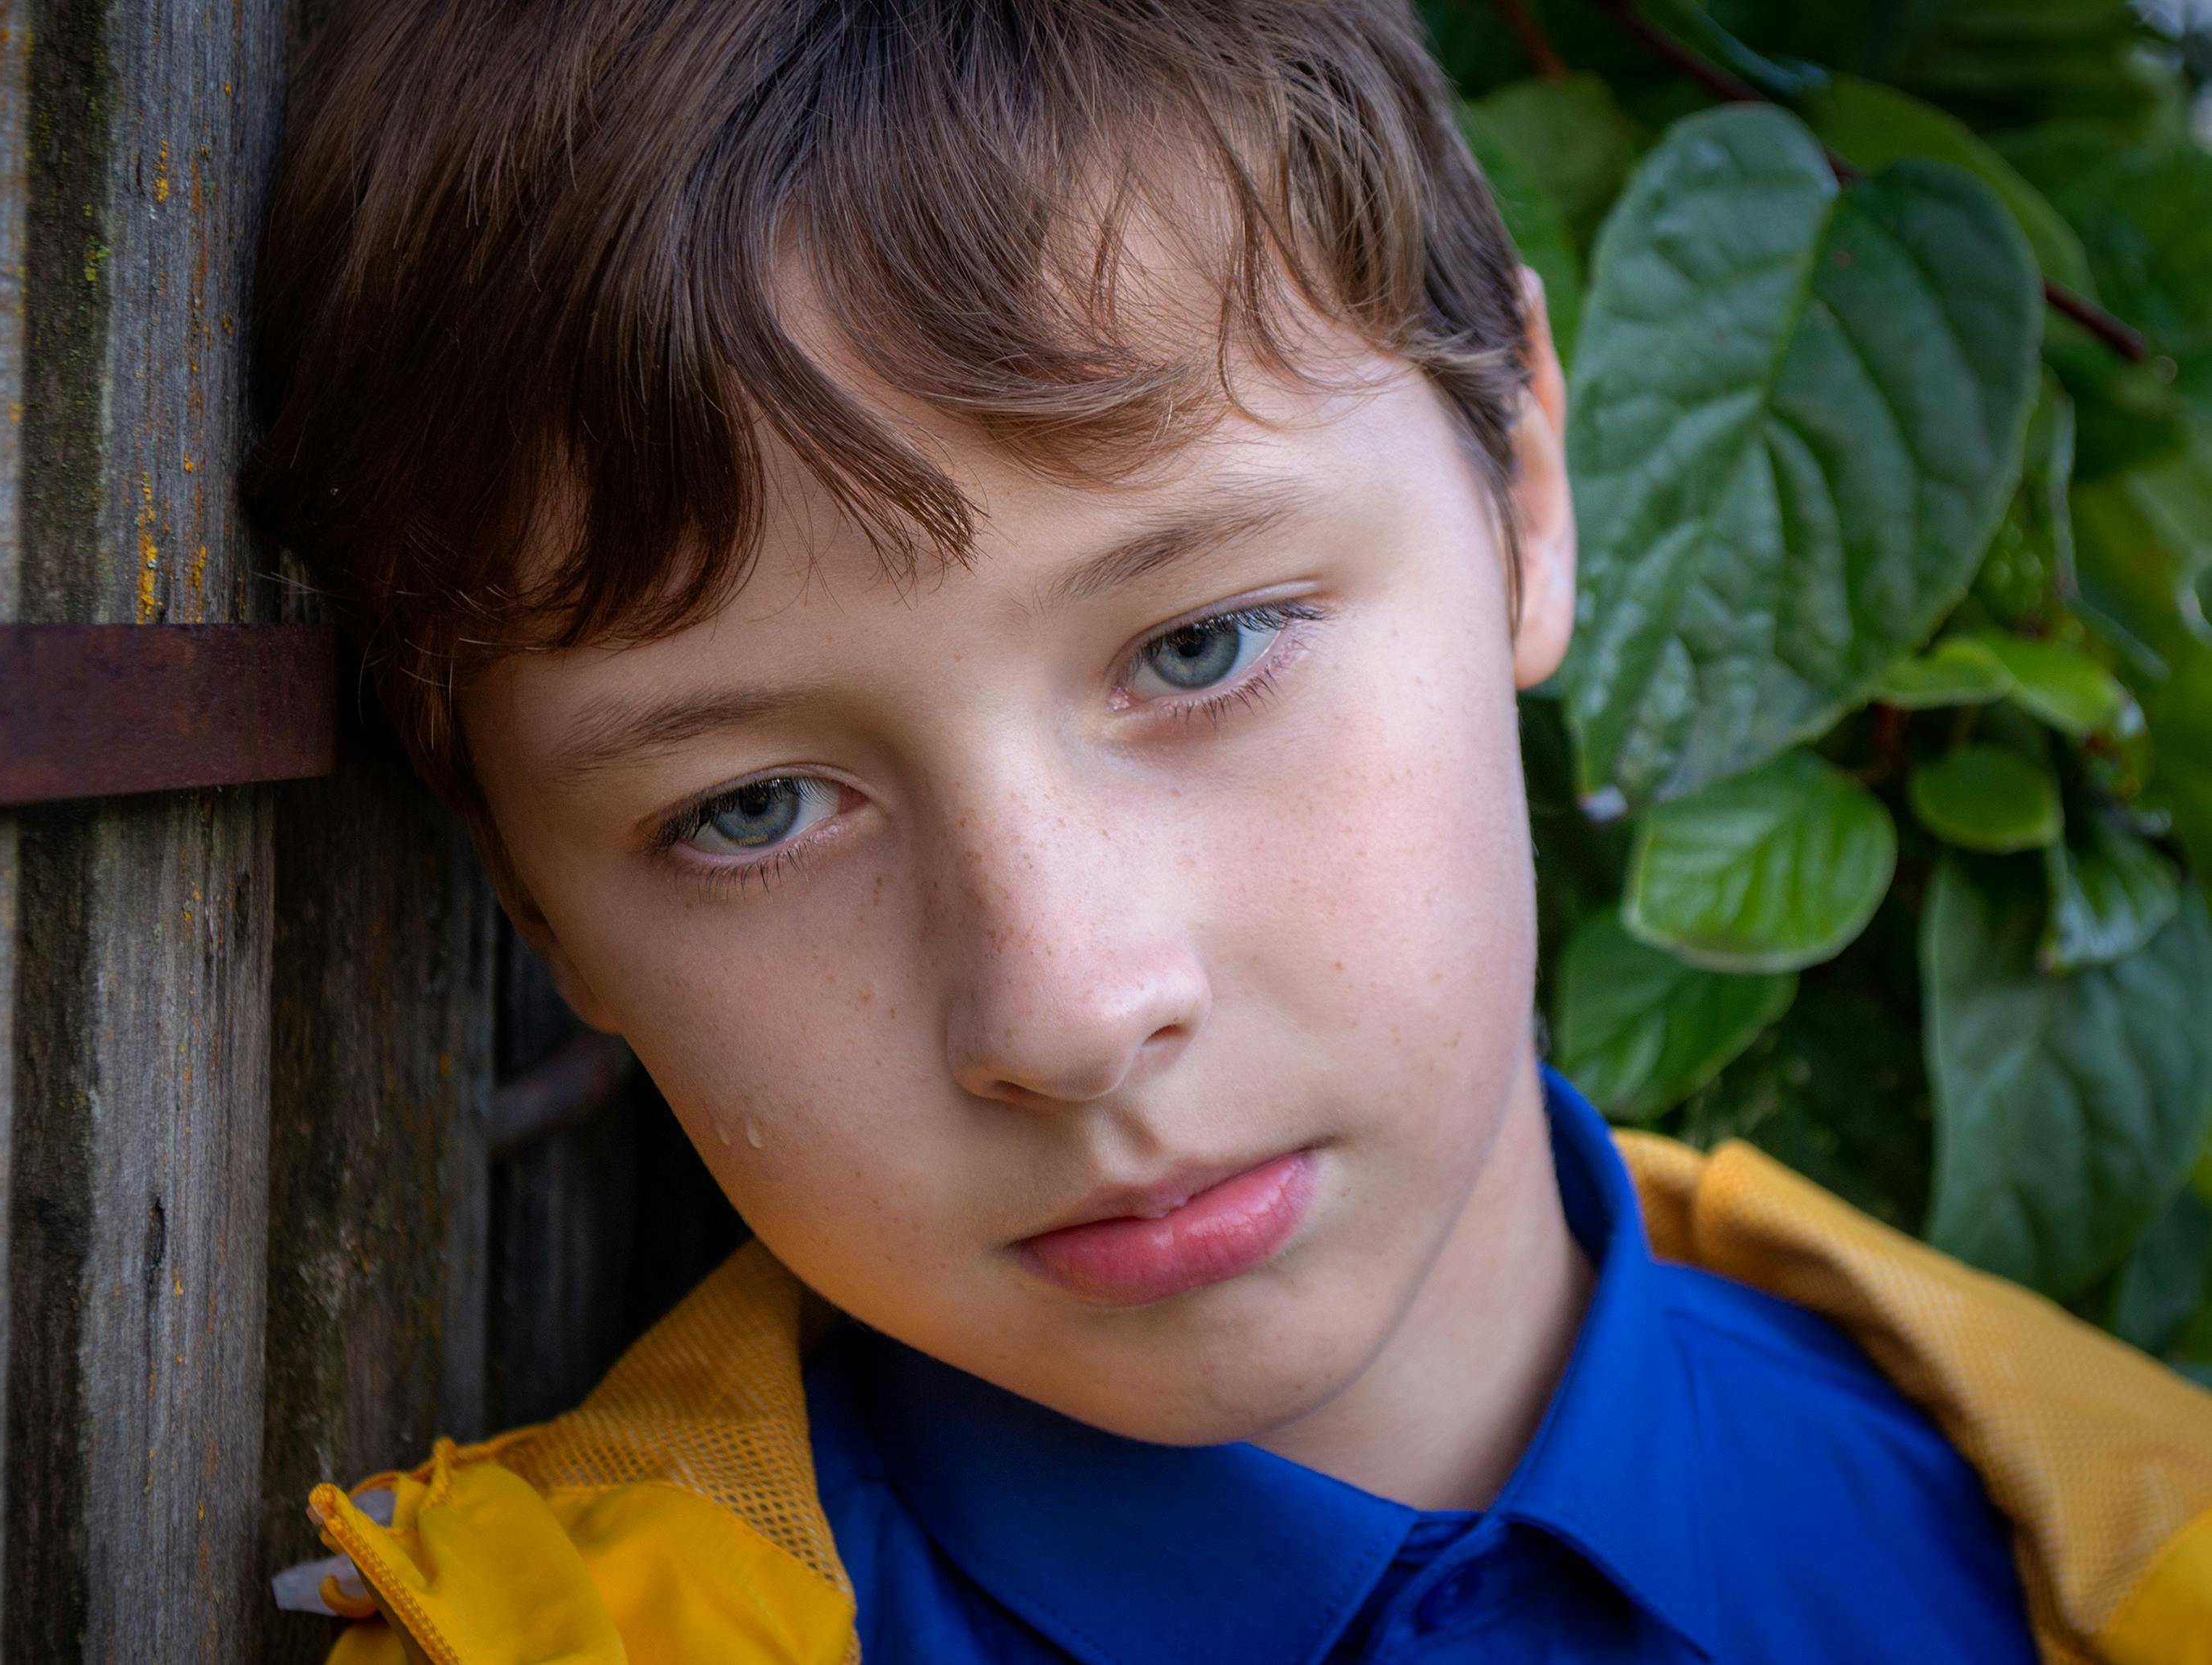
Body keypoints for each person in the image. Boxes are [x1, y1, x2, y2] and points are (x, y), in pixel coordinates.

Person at [242, 2, 2212, 1660]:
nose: (1075, 1005)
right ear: (533, 895)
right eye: (747, 806)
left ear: (1525, 494)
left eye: (1198, 645)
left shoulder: (2126, 1553)